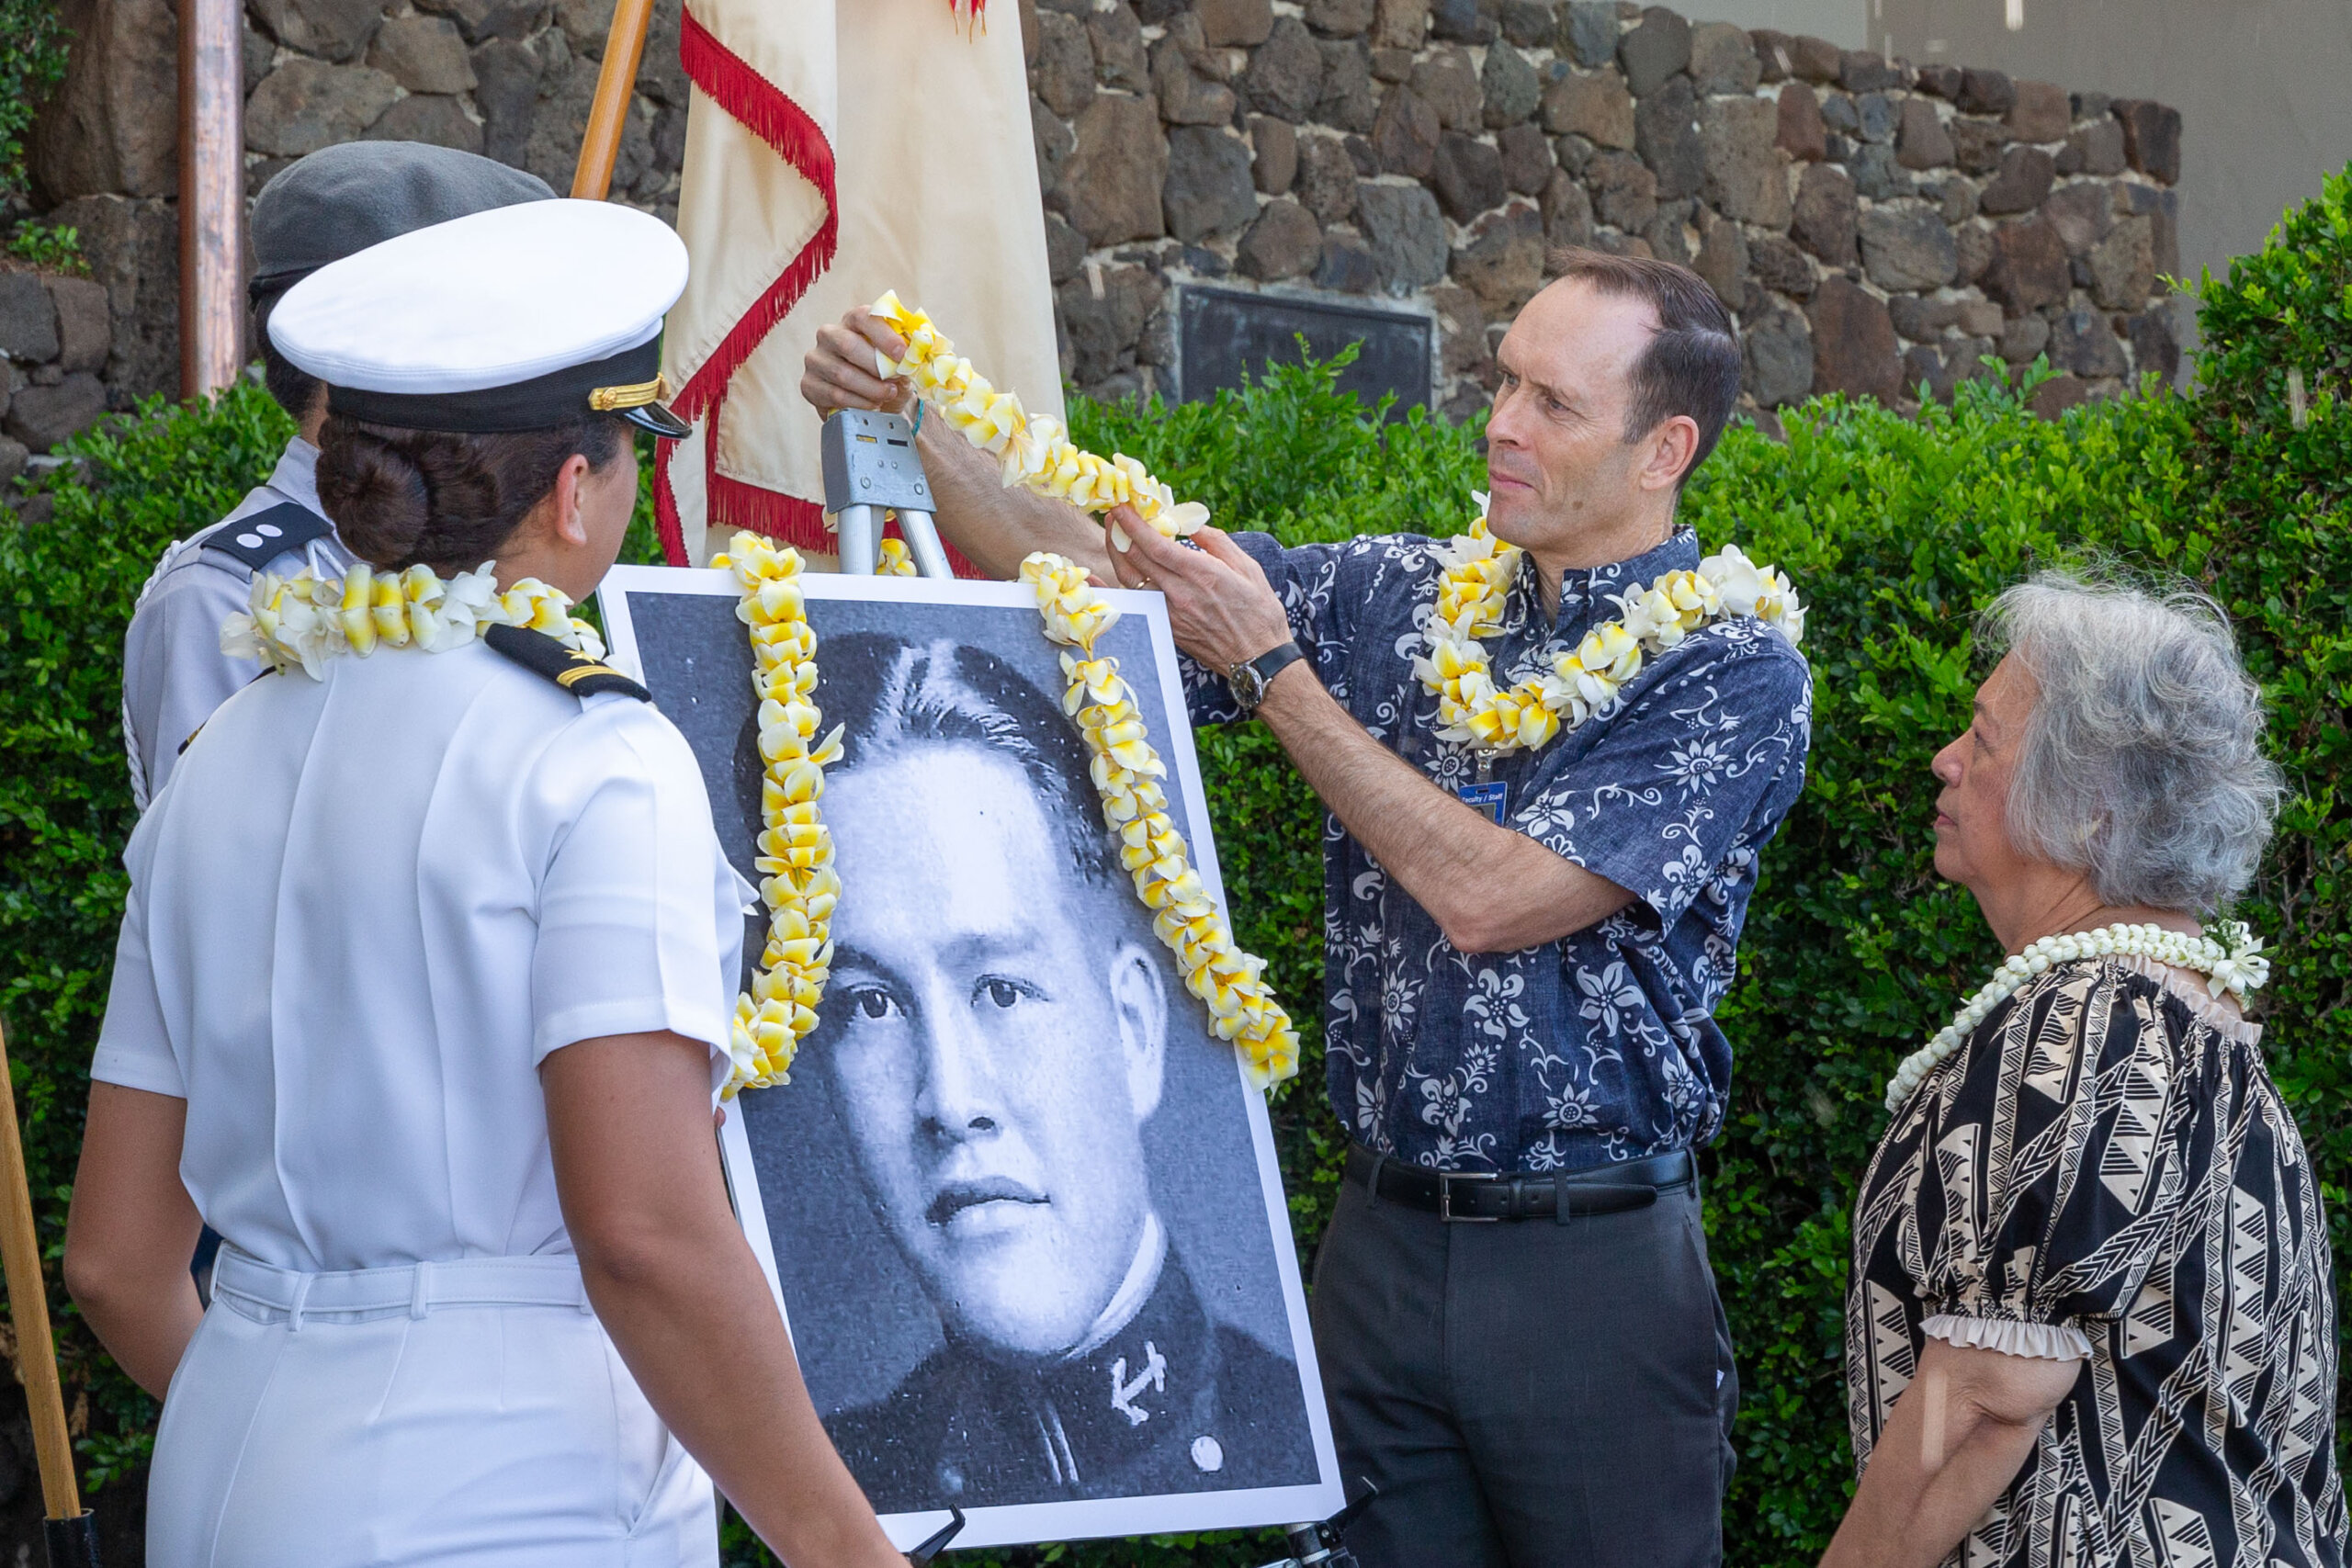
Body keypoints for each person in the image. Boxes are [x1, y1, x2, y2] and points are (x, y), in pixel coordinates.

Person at [800, 249, 1813, 1567]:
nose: (1502, 422)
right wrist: (920, 424)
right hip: (1377, 1242)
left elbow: (1493, 897)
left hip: (1590, 1270)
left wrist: (1274, 668)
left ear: (1663, 446)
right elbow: (1103, 580)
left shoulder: (1732, 669)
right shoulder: (1402, 591)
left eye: (1553, 403)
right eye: (1503, 379)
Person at [65, 199, 904, 1568]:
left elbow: (111, 1255)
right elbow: (643, 1230)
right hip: (513, 1488)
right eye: (632, 449)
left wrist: (292, 1408)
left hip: (230, 1464)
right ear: (574, 490)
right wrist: (843, 1544)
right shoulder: (594, 757)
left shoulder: (221, 755)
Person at [1826, 572, 2345, 1568]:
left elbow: (1983, 1400)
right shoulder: (2179, 1013)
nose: (1943, 760)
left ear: (2090, 812)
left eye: (1981, 740)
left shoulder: (2083, 1028)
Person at [782, 635, 1317, 1511]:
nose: (949, 1100)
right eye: (869, 1005)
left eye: (1001, 989)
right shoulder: (829, 1487)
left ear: (1136, 1030)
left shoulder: (1292, 1440)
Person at [119, 141, 554, 809]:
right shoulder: (228, 593)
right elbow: (216, 886)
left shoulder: (496, 548)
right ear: (341, 357)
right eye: (456, 339)